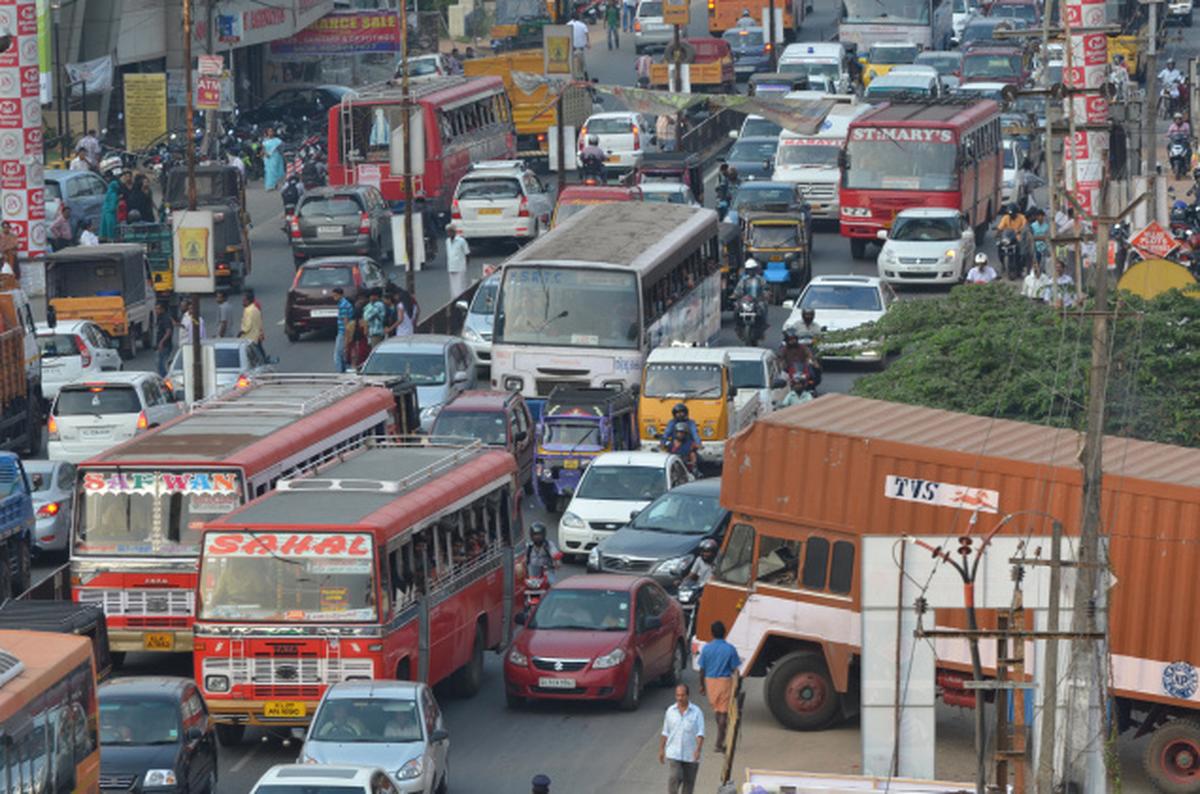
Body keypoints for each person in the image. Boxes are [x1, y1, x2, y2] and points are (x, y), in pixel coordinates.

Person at [698, 620, 741, 753]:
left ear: (712, 633)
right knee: (724, 712)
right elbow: (735, 668)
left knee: (717, 709)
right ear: (725, 632)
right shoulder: (730, 648)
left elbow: (702, 669)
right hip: (724, 682)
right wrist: (737, 685)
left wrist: (702, 686)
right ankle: (719, 742)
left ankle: (721, 734)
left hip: (710, 682)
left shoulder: (706, 648)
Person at [659, 683, 704, 794]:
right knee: (674, 776)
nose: (680, 698)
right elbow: (665, 732)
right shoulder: (670, 711)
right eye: (678, 695)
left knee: (688, 785)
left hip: (691, 755)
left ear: (687, 695)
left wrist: (698, 750)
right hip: (674, 753)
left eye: (682, 695)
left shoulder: (697, 712)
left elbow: (700, 733)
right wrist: (661, 749)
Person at [331, 287, 353, 371]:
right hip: (344, 331)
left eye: (336, 295)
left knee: (338, 353)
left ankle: (340, 371)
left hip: (343, 332)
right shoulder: (344, 303)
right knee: (343, 353)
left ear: (341, 295)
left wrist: (346, 334)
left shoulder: (343, 305)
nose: (334, 297)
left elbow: (345, 320)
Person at [345, 297, 371, 369]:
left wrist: (346, 348)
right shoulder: (364, 323)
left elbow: (347, 338)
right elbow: (366, 333)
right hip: (363, 345)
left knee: (353, 364)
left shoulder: (350, 325)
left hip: (352, 346)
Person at [239, 290, 265, 359]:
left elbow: (247, 326)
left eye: (244, 301)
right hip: (256, 334)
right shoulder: (255, 308)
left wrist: (241, 332)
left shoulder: (249, 310)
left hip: (250, 336)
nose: (242, 302)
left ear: (248, 301)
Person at [446, 225, 470, 298]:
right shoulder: (447, 241)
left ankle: (461, 298)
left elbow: (467, 253)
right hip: (451, 266)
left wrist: (465, 264)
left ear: (454, 232)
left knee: (460, 286)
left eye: (451, 231)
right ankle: (454, 299)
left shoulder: (461, 241)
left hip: (460, 267)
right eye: (448, 232)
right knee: (453, 286)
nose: (449, 233)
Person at [154, 302, 173, 376]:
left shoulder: (165, 319)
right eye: (156, 309)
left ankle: (164, 379)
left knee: (161, 365)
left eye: (158, 309)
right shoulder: (160, 318)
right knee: (159, 364)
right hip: (162, 345)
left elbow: (168, 331)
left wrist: (161, 342)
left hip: (165, 346)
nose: (156, 311)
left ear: (163, 309)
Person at [567, 14, 589, 79]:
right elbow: (586, 34)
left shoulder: (567, 24)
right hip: (580, 48)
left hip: (571, 48)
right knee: (582, 62)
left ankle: (574, 76)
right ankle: (585, 74)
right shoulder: (583, 25)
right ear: (579, 18)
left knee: (571, 62)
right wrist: (588, 42)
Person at [100, 176, 122, 240]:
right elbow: (112, 206)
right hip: (111, 214)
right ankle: (112, 239)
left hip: (105, 213)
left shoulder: (108, 193)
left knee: (105, 227)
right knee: (111, 228)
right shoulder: (114, 195)